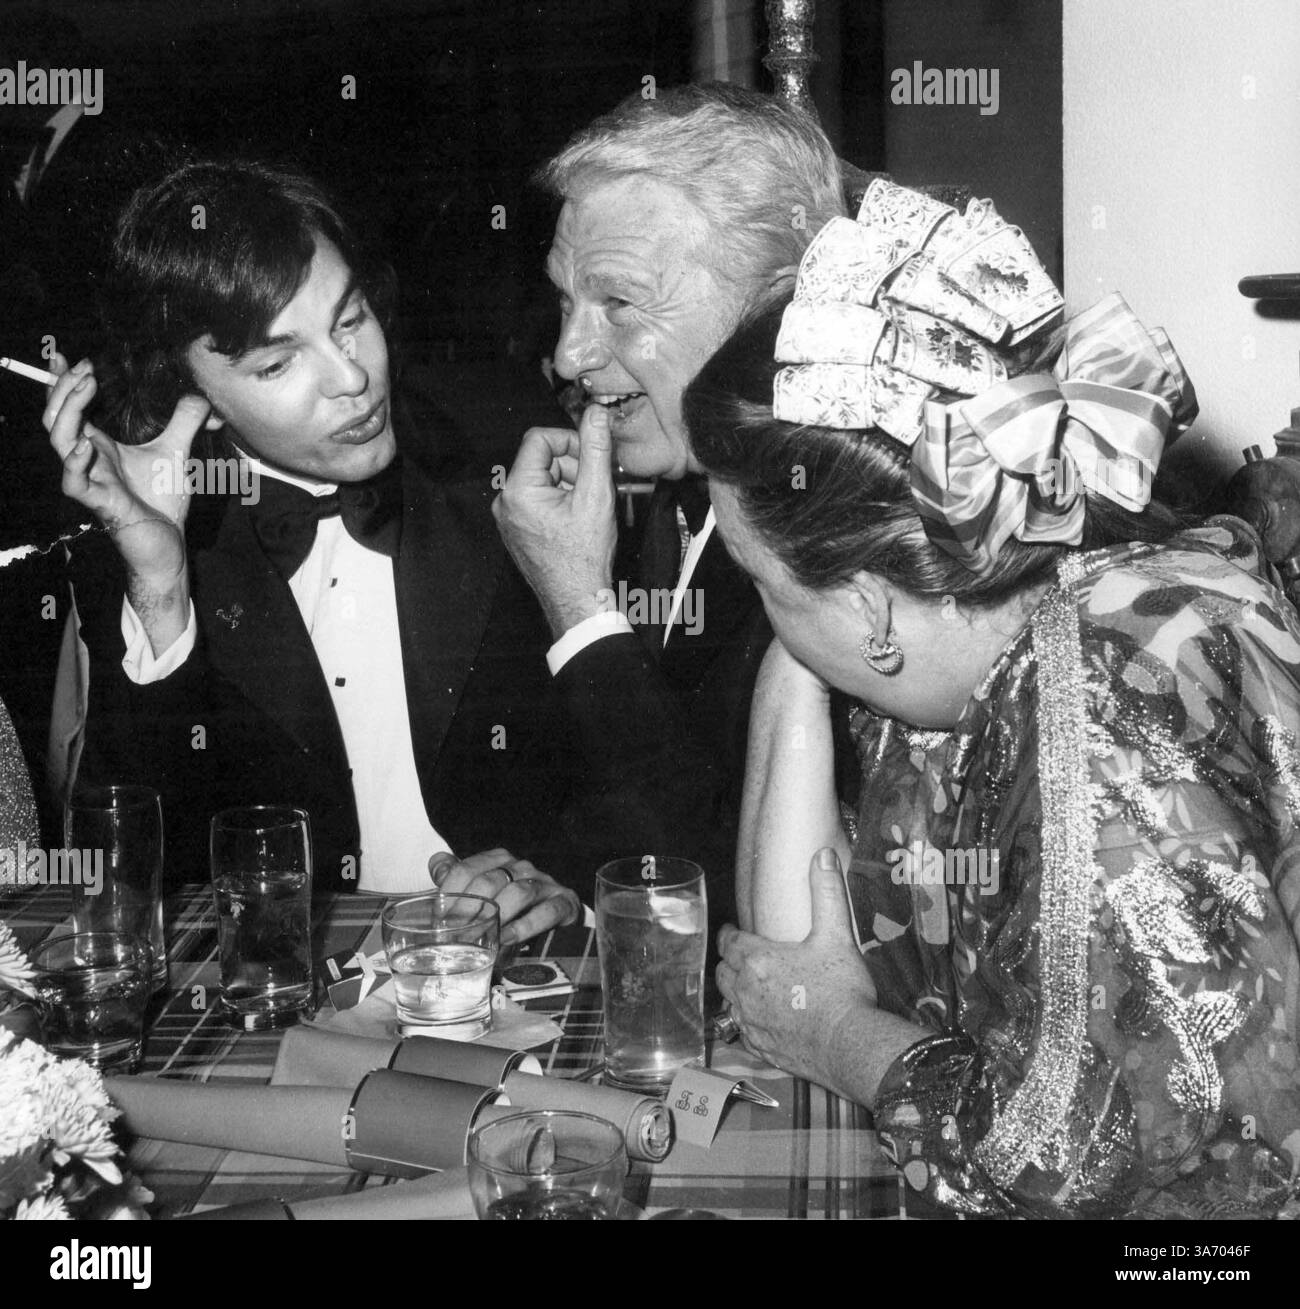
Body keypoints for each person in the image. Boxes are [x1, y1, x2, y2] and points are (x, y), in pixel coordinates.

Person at [684, 179, 1300, 1217]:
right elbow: (805, 950)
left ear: (875, 604)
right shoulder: (993, 624)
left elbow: (1130, 1177)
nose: (760, 615)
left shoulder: (1103, 715)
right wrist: (810, 615)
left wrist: (840, 1038)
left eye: (755, 579)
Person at [44, 159, 581, 945]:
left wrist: (565, 883)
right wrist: (161, 580)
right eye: (277, 361)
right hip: (280, 996)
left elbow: (625, 764)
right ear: (197, 400)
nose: (354, 377)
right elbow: (124, 885)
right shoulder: (140, 544)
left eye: (350, 318)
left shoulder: (507, 452)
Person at [483, 83, 845, 930]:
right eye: (568, 302)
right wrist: (566, 887)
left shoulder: (835, 530)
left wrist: (579, 608)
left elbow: (731, 898)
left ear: (773, 306)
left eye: (619, 303)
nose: (570, 355)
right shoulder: (684, 491)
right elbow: (654, 795)